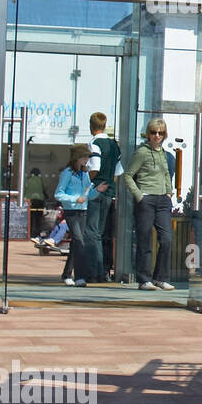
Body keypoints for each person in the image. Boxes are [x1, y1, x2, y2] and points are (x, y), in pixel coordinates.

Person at [124, 118, 176, 291]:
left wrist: (169, 192)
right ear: (148, 134)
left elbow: (167, 174)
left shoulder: (163, 153)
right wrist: (139, 195)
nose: (157, 136)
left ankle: (161, 278)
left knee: (167, 239)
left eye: (160, 133)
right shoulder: (142, 152)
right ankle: (144, 279)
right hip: (146, 199)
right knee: (144, 240)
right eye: (153, 132)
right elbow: (128, 175)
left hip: (162, 200)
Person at [55, 145, 107, 286]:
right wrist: (74, 199)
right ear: (77, 158)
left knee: (76, 243)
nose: (87, 160)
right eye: (85, 157)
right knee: (79, 241)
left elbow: (88, 194)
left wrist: (98, 190)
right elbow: (58, 193)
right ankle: (80, 277)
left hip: (83, 211)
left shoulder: (84, 174)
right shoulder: (67, 173)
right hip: (71, 212)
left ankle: (67, 274)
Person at [86, 112, 123, 281]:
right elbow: (118, 171)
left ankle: (96, 271)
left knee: (92, 232)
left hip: (96, 190)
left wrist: (89, 184)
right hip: (109, 191)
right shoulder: (114, 145)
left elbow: (94, 166)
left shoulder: (94, 143)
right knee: (104, 233)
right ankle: (105, 270)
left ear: (91, 126)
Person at [23, 166, 46, 237]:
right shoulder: (41, 180)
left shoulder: (28, 180)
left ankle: (29, 233)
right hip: (40, 200)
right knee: (38, 217)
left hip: (30, 200)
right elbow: (45, 188)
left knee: (30, 217)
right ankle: (37, 233)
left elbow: (24, 189)